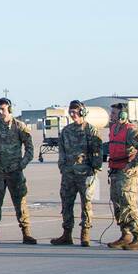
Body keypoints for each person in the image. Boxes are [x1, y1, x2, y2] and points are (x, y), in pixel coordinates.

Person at [0, 97, 36, 244]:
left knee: (20, 201)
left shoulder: (20, 126)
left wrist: (21, 165)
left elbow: (30, 149)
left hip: (14, 171)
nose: (0, 112)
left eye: (2, 109)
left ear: (9, 109)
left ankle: (26, 232)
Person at [51, 100, 102, 246]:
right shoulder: (66, 131)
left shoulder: (90, 130)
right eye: (71, 112)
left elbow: (97, 152)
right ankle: (67, 234)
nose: (73, 115)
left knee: (87, 204)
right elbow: (62, 150)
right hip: (68, 174)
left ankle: (85, 233)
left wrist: (95, 169)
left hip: (86, 174)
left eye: (75, 112)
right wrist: (62, 166)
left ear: (82, 112)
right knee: (66, 203)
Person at [105, 101, 138, 250]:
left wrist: (132, 165)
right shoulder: (114, 129)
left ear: (123, 114)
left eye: (114, 113)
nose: (111, 115)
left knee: (129, 204)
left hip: (127, 174)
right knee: (118, 204)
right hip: (115, 171)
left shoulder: (130, 130)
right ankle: (125, 235)